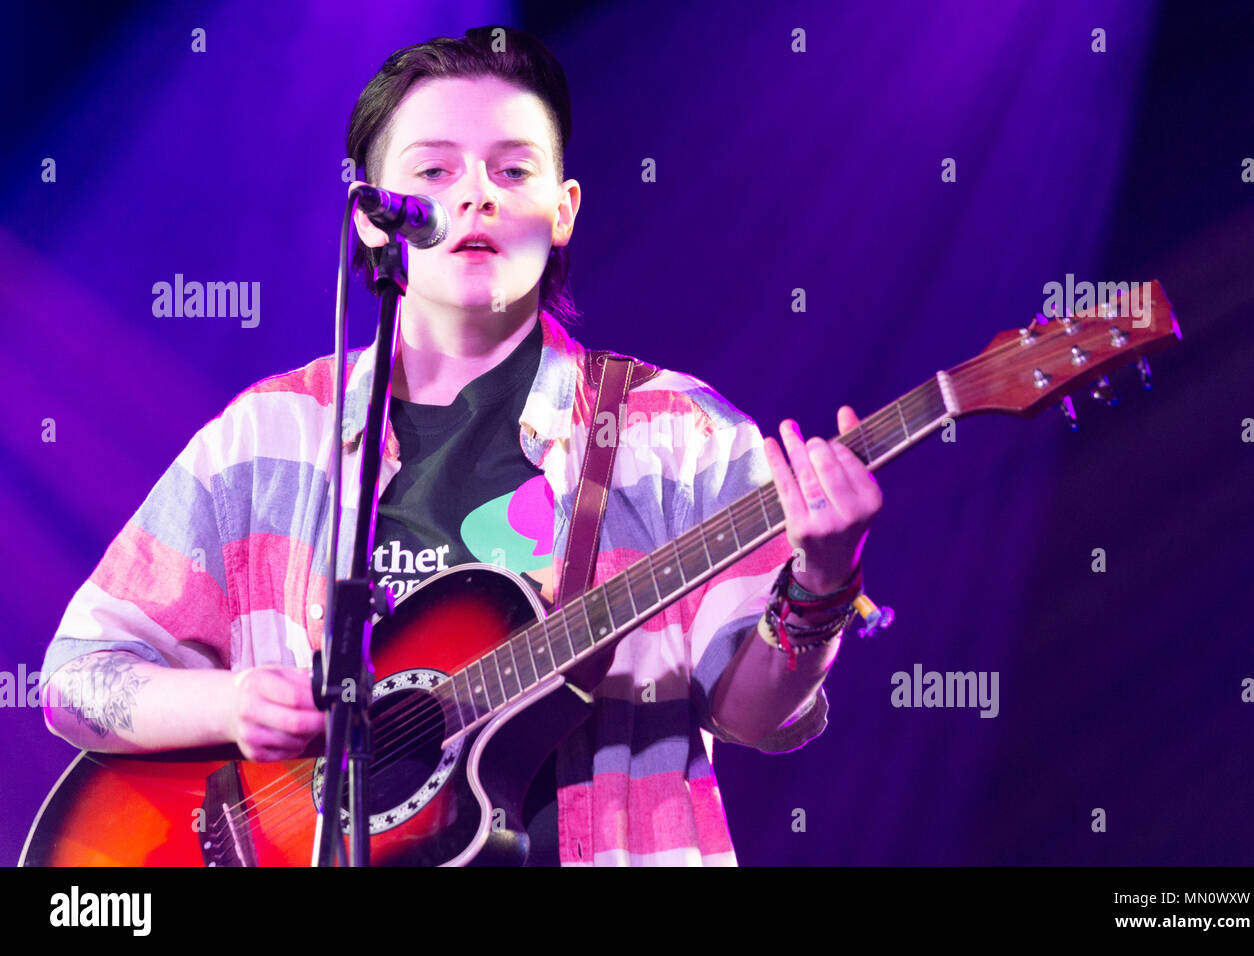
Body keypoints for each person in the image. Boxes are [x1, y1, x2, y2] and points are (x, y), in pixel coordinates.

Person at [38, 25, 882, 866]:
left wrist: (820, 582)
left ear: (563, 211)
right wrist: (232, 705)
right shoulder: (267, 437)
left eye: (514, 170)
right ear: (372, 217)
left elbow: (758, 717)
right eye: (435, 170)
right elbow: (77, 681)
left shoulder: (678, 435)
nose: (477, 194)